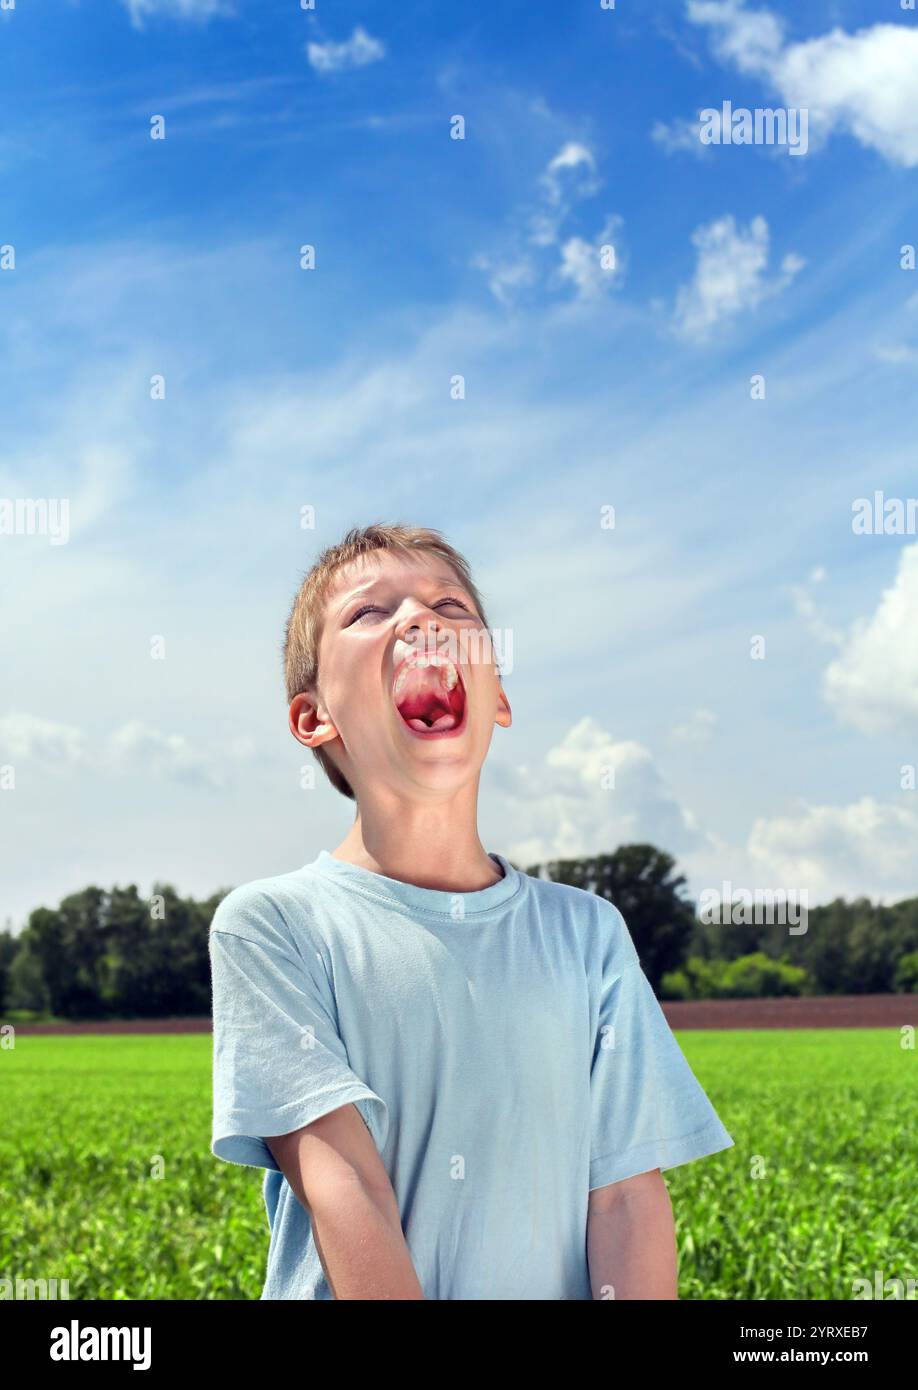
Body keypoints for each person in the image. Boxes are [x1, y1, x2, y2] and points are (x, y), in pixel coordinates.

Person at [208, 521, 734, 1300]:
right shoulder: (274, 924)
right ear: (313, 717)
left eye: (451, 606)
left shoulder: (587, 933)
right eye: (369, 613)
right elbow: (348, 1187)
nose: (421, 621)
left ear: (500, 698)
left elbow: (624, 1195)